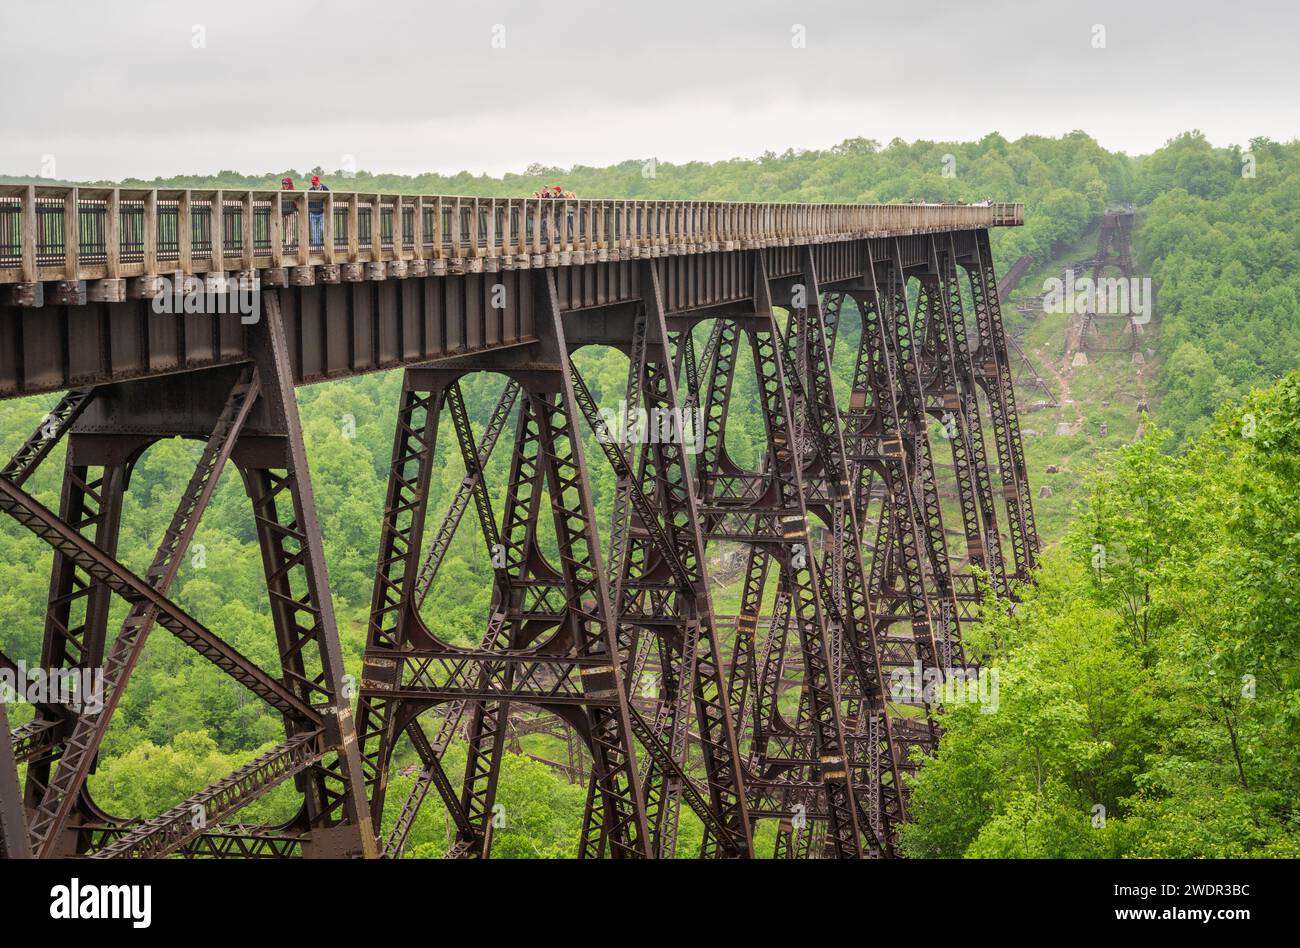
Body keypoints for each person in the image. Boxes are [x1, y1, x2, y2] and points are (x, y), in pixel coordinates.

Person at [308, 174, 329, 248]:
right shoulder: (310, 190)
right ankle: (317, 247)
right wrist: (310, 209)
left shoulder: (325, 188)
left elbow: (328, 199)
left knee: (322, 229)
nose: (314, 184)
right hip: (313, 213)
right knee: (314, 231)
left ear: (319, 182)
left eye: (315, 183)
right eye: (313, 183)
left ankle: (326, 244)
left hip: (322, 213)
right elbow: (308, 201)